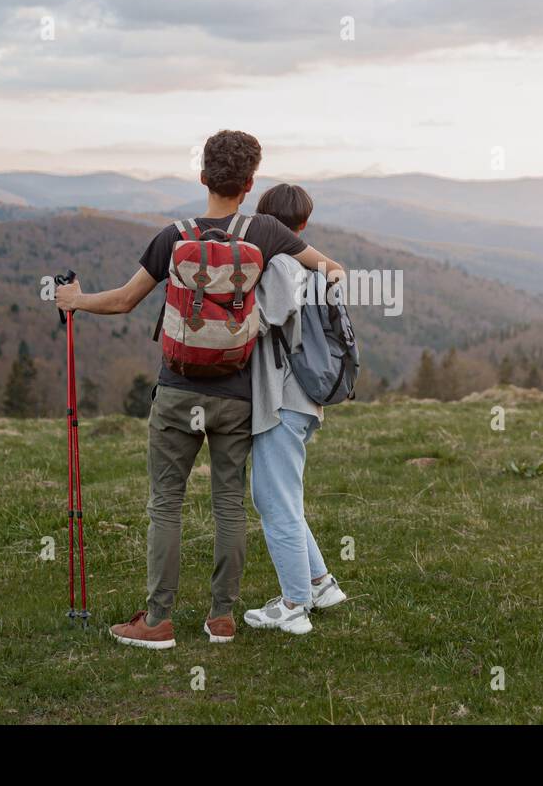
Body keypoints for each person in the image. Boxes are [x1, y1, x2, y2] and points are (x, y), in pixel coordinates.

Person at [55, 130, 342, 650]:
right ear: (251, 182)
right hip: (236, 394)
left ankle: (158, 621)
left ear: (202, 176)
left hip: (177, 391)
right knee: (229, 503)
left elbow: (122, 301)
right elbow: (331, 270)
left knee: (166, 502)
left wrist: (73, 300)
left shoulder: (173, 235)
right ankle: (221, 620)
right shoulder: (268, 231)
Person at [243, 184, 348, 635]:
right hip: (303, 398)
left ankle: (293, 605)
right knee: (282, 496)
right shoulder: (314, 267)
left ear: (266, 224)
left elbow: (262, 320)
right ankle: (321, 583)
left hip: (284, 398)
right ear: (303, 224)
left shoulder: (283, 265)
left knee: (274, 501)